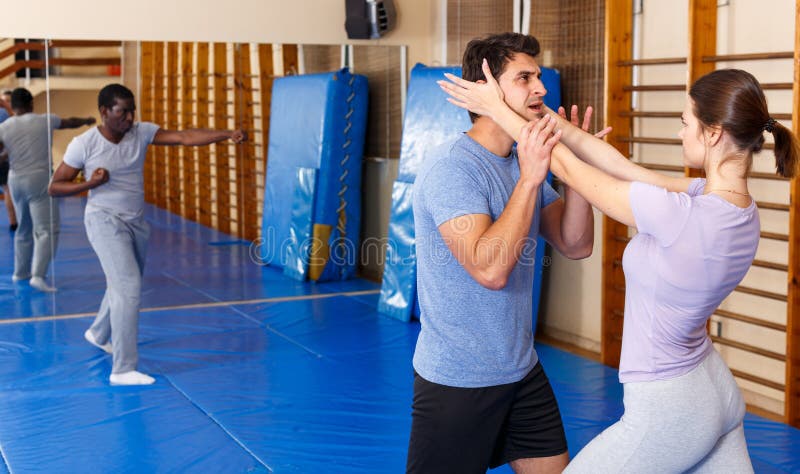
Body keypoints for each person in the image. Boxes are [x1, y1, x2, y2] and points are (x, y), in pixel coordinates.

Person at [440, 63, 799, 472]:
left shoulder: (678, 213)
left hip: (670, 407)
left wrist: (497, 108)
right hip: (713, 388)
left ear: (713, 133)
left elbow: (571, 170)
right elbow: (623, 168)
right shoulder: (734, 208)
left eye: (686, 123)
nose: (680, 133)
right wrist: (543, 115)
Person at [407, 33, 597, 474]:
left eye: (539, 76)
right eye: (525, 78)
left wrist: (576, 171)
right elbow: (489, 270)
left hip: (521, 370)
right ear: (488, 87)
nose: (542, 89)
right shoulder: (452, 167)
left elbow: (575, 244)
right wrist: (531, 179)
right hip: (459, 380)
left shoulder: (518, 160)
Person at [48, 83, 246, 386]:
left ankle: (99, 332)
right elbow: (55, 187)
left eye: (132, 110)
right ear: (104, 112)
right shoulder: (84, 144)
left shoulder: (140, 132)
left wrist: (225, 134)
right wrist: (89, 185)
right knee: (128, 285)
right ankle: (123, 369)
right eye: (122, 112)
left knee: (122, 282)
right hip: (103, 220)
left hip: (135, 222)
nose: (129, 118)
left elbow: (183, 137)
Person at [0, 87, 95, 291]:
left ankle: (20, 272)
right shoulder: (46, 119)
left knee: (24, 227)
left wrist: (9, 154)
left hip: (15, 180)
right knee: (46, 229)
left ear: (12, 106)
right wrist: (87, 119)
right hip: (40, 179)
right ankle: (38, 275)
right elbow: (70, 122)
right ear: (31, 104)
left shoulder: (4, 127)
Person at [0, 89, 17, 232]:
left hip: (6, 156)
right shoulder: (8, 115)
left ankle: (14, 222)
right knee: (8, 189)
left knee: (8, 189)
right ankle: (13, 222)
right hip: (4, 157)